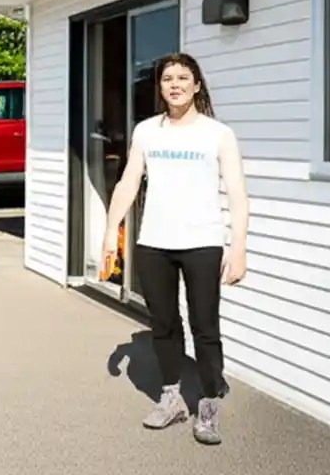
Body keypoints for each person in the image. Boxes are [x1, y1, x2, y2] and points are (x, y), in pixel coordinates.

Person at [102, 52, 249, 446]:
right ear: (161, 87)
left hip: (202, 242)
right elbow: (128, 183)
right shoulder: (147, 131)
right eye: (168, 78)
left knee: (205, 326)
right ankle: (172, 399)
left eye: (183, 77)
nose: (175, 84)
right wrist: (109, 233)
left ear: (197, 85)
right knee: (163, 324)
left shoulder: (218, 134)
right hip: (154, 242)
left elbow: (237, 194)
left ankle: (208, 401)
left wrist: (238, 249)